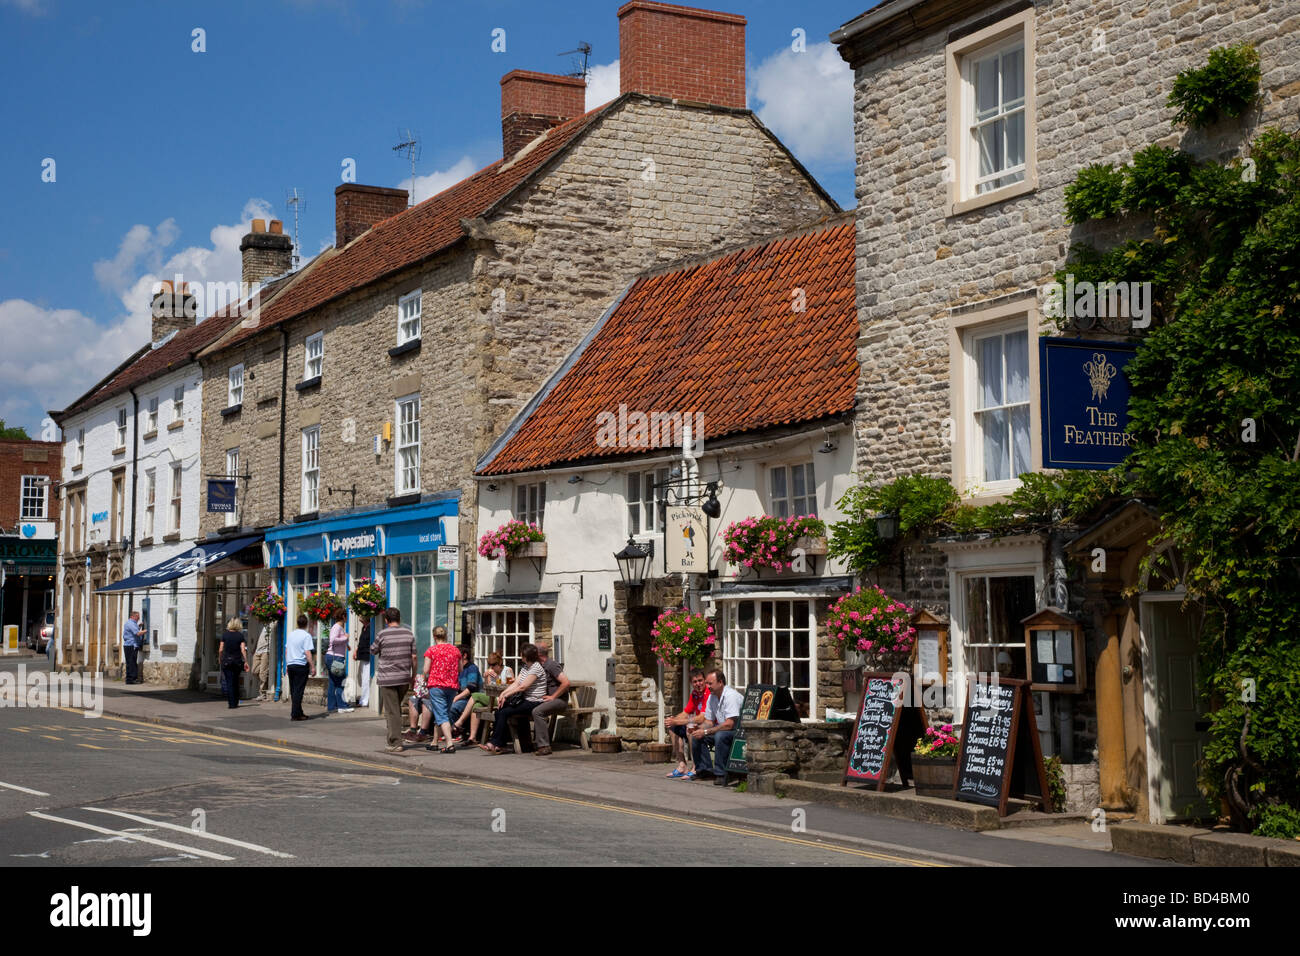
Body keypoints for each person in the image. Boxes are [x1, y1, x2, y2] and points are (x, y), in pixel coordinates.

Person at [481, 643, 546, 755]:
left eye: (521, 653)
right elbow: (516, 682)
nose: (520, 655)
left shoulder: (536, 667)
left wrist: (506, 695)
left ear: (525, 656)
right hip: (526, 700)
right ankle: (499, 744)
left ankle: (495, 743)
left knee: (505, 712)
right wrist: (503, 694)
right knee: (499, 711)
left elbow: (523, 686)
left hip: (535, 702)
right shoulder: (526, 667)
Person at [407, 626, 461, 753]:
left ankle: (449, 744)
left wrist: (424, 678)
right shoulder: (455, 650)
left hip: (436, 686)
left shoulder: (431, 651)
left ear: (434, 636)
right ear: (446, 635)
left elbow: (426, 670)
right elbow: (460, 670)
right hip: (452, 687)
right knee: (441, 713)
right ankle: (434, 742)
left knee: (442, 715)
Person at [370, 607, 416, 753]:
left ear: (386, 620)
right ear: (399, 619)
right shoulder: (409, 634)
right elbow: (414, 657)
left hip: (387, 678)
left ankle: (396, 742)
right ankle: (391, 738)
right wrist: (413, 676)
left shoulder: (382, 634)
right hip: (403, 677)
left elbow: (373, 650)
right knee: (394, 709)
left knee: (392, 711)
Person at [689, 668, 744, 785]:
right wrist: (699, 729)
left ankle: (721, 773)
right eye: (707, 683)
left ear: (720, 682)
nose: (707, 686)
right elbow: (709, 721)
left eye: (710, 683)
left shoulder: (731, 696)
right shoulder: (712, 697)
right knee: (697, 736)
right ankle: (704, 770)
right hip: (724, 729)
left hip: (739, 732)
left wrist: (706, 732)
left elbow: (730, 724)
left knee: (720, 735)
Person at [452, 650, 510, 743]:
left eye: (493, 665)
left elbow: (510, 687)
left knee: (475, 695)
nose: (491, 667)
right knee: (476, 705)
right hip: (492, 698)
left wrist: (497, 678)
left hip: (502, 699)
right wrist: (487, 678)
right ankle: (472, 737)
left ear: (500, 663)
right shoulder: (490, 672)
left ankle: (460, 722)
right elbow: (488, 690)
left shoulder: (507, 670)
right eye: (489, 665)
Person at [665, 668, 710, 778]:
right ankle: (682, 765)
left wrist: (678, 721)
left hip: (709, 724)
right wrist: (672, 720)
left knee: (691, 730)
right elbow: (686, 712)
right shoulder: (694, 694)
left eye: (700, 680)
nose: (698, 684)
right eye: (695, 682)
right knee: (672, 728)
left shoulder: (708, 693)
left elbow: (701, 718)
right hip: (699, 723)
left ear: (704, 680)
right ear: (691, 683)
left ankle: (695, 767)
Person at [529, 640, 571, 756]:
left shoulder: (551, 665)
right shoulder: (538, 666)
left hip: (559, 701)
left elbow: (566, 683)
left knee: (537, 711)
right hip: (546, 699)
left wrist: (553, 696)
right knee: (525, 706)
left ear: (538, 653)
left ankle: (544, 746)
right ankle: (527, 743)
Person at [447, 644, 482, 742]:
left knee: (453, 707)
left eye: (456, 654)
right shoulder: (458, 668)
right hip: (462, 697)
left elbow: (470, 688)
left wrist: (455, 698)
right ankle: (448, 732)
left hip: (470, 698)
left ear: (464, 655)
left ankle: (457, 732)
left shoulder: (472, 668)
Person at [285, 614, 316, 721]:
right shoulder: (306, 636)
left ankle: (299, 712)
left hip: (291, 664)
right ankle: (295, 714)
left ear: (297, 623)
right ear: (306, 624)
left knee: (294, 690)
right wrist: (312, 666)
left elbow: (287, 651)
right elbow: (307, 652)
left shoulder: (291, 635)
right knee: (298, 691)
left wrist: (287, 665)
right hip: (301, 665)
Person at [325, 610, 354, 715]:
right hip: (336, 657)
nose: (347, 619)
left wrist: (347, 644)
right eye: (346, 616)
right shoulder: (337, 627)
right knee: (341, 682)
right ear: (343, 616)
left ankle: (332, 706)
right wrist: (345, 638)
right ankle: (342, 706)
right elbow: (333, 640)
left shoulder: (338, 627)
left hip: (333, 656)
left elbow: (338, 640)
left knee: (333, 682)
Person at [219, 617, 249, 709]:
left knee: (229, 682)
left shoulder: (225, 635)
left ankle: (231, 703)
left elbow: (220, 649)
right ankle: (235, 702)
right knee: (235, 681)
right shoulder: (240, 636)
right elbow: (243, 650)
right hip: (237, 662)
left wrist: (220, 659)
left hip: (227, 661)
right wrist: (246, 661)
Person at [352, 618, 373, 709]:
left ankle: (365, 700)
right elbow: (361, 642)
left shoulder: (371, 627)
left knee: (366, 679)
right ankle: (363, 699)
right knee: (364, 678)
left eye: (361, 615)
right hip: (362, 655)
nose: (359, 617)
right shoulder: (364, 628)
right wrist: (356, 651)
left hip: (368, 656)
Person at [251, 625, 271, 700]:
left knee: (263, 673)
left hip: (266, 651)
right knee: (254, 671)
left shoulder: (272, 625)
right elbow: (259, 638)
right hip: (258, 651)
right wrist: (254, 648)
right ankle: (267, 675)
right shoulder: (261, 626)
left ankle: (262, 693)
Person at [121, 611, 142, 685]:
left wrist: (139, 627)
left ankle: (130, 679)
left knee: (131, 662)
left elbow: (133, 632)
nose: (138, 618)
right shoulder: (130, 623)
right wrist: (145, 631)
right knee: (132, 662)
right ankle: (131, 679)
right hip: (131, 645)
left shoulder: (131, 623)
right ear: (133, 616)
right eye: (137, 616)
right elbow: (137, 633)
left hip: (129, 645)